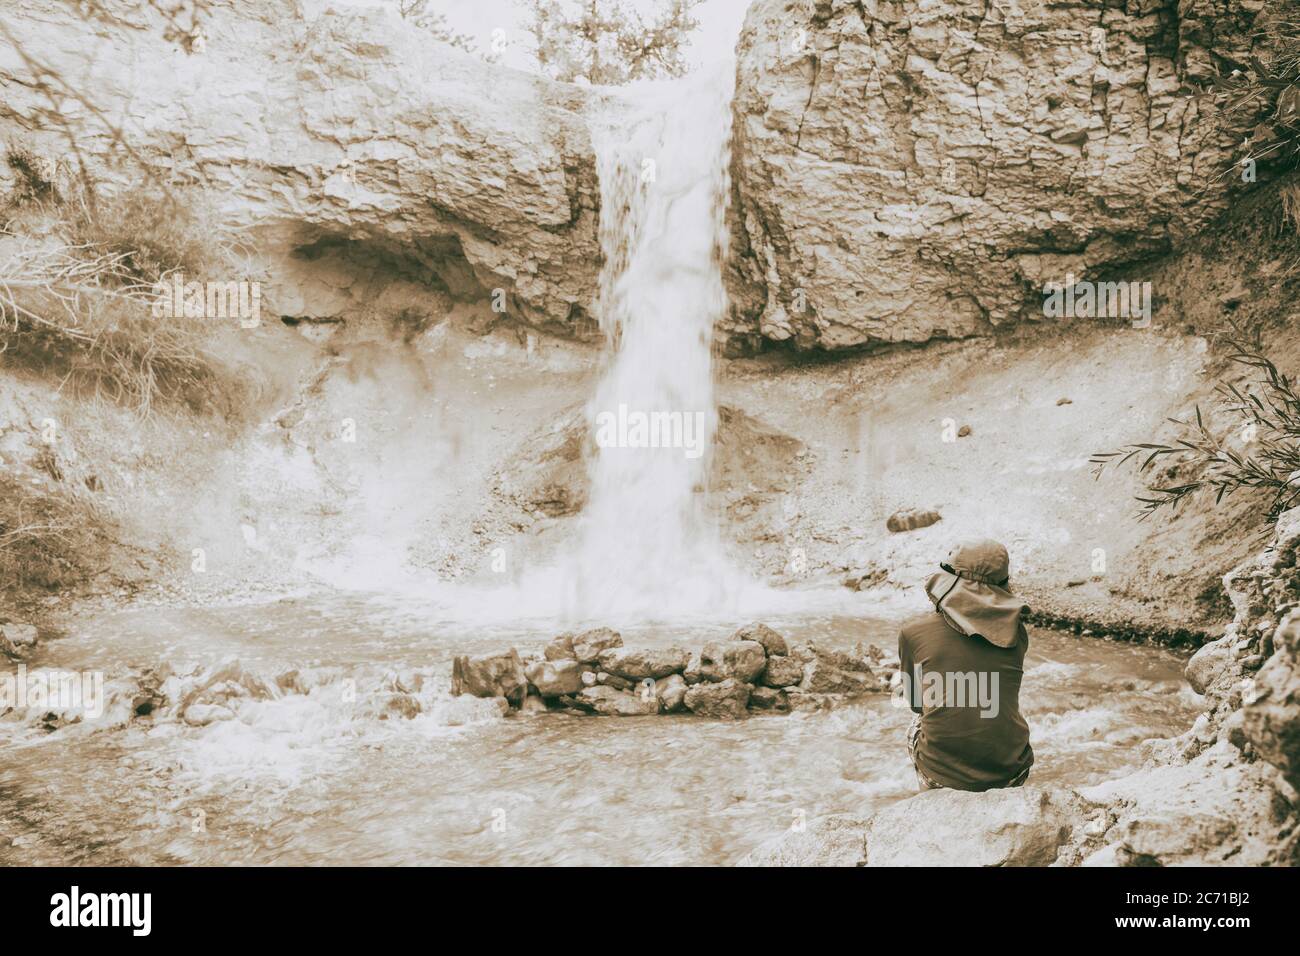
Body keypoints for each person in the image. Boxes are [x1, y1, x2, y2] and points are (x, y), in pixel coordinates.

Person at [898, 539, 1034, 791]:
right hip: (1011, 771)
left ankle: (934, 800)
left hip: (943, 775)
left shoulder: (912, 633)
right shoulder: (1017, 633)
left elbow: (916, 703)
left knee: (915, 724)